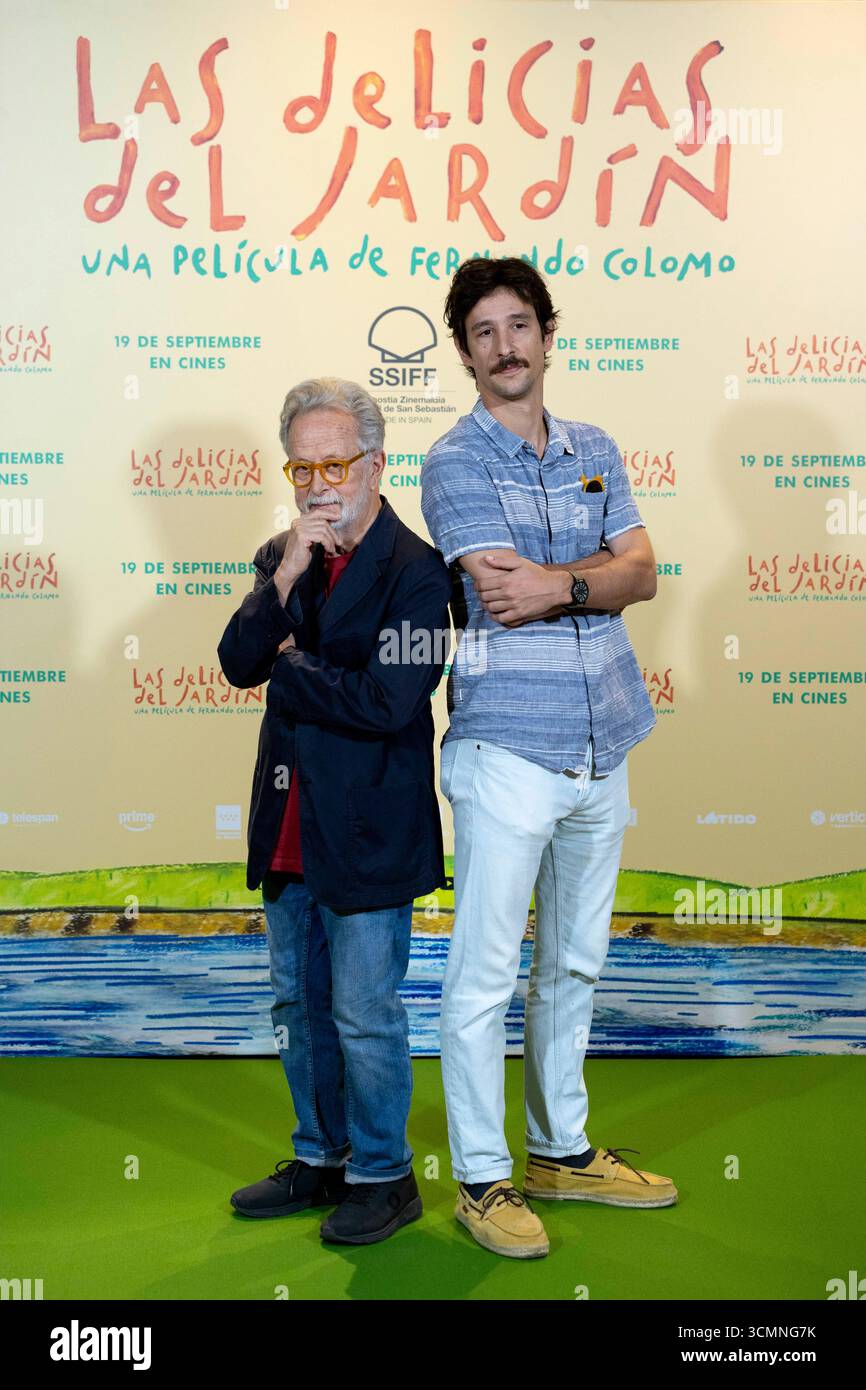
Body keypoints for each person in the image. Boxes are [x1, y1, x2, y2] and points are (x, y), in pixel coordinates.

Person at [420, 257, 677, 1260]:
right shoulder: (451, 460)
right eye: (481, 331)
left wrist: (568, 582)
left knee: (573, 957)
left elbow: (644, 572)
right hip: (506, 749)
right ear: (465, 351)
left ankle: (558, 1151)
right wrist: (593, 578)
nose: (503, 344)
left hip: (602, 737)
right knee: (484, 973)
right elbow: (501, 591)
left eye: (516, 323)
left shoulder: (595, 444)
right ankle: (481, 1181)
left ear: (544, 330)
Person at [217, 377, 451, 1246]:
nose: (319, 483)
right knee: (297, 1005)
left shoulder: (420, 573)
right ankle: (320, 1157)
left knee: (364, 1010)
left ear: (376, 465)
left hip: (369, 831)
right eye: (302, 465)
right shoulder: (283, 556)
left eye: (336, 464)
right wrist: (281, 579)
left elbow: (390, 702)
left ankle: (385, 1176)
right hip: (286, 823)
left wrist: (293, 668)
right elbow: (239, 662)